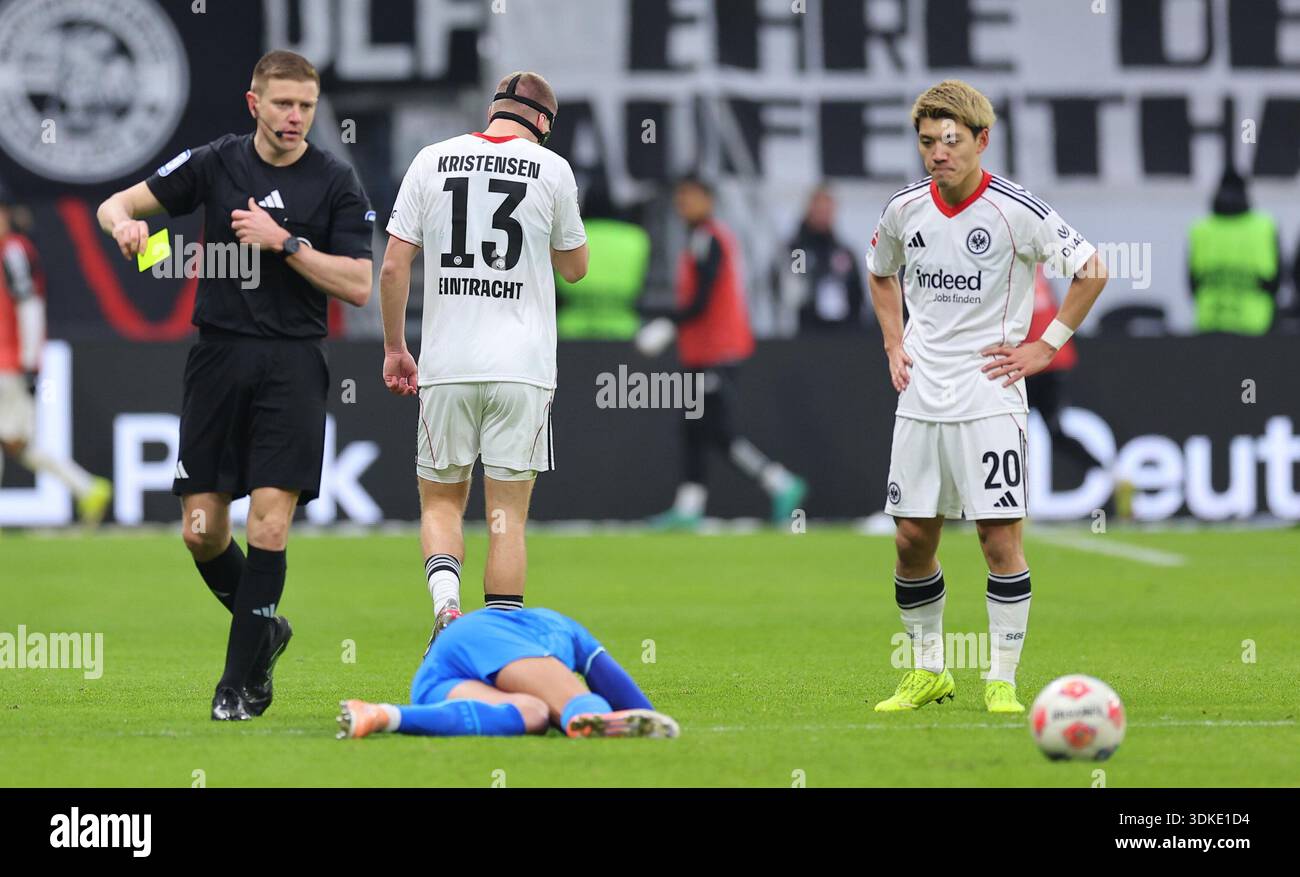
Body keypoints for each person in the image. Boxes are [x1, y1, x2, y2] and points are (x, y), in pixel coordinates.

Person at [95, 50, 376, 720]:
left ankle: (235, 687)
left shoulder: (336, 181)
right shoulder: (215, 162)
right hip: (218, 359)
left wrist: (286, 243)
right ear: (255, 104)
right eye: (283, 104)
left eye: (305, 106)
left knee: (271, 523)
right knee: (201, 530)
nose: (295, 117)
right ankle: (265, 630)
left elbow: (361, 285)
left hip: (292, 363)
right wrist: (127, 227)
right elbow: (115, 204)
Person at [865, 80, 1108, 714]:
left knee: (998, 540)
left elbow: (1092, 269)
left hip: (989, 395)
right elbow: (879, 271)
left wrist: (1045, 347)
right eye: (927, 142)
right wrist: (895, 344)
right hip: (920, 396)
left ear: (980, 140)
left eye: (950, 141)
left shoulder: (1015, 209)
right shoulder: (904, 209)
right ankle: (928, 672)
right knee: (911, 539)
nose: (938, 154)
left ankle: (1000, 679)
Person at [378, 72, 588, 645]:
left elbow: (395, 267)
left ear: (494, 108)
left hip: (446, 363)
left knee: (442, 502)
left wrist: (398, 348)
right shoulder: (552, 169)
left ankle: (447, 611)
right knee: (507, 518)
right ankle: (498, 648)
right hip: (522, 368)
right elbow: (575, 268)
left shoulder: (432, 160)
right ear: (542, 123)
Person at [637, 176, 807, 529]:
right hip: (700, 352)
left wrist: (666, 325)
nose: (683, 204)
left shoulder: (710, 240)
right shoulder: (699, 240)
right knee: (693, 428)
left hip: (717, 351)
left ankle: (780, 482)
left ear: (709, 200)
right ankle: (688, 507)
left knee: (715, 430)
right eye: (680, 198)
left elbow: (700, 302)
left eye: (690, 197)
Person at [337, 607, 679, 739]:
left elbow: (631, 706)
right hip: (484, 637)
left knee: (534, 714)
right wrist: (647, 718)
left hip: (434, 684)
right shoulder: (567, 633)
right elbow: (628, 698)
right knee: (575, 702)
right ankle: (590, 721)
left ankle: (383, 715)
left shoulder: (548, 631)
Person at [0, 199, 112, 522]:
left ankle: (87, 487)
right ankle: (87, 488)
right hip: (10, 362)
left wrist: (30, 363)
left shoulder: (13, 252)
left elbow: (29, 306)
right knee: (16, 443)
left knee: (15, 442)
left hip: (9, 364)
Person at [1187, 166, 1280, 335]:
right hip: (1256, 326)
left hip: (1210, 324)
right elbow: (1277, 281)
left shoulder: (1201, 229)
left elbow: (1192, 283)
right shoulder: (1264, 228)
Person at [782, 185, 869, 333]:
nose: (824, 215)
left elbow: (857, 295)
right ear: (810, 210)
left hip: (843, 331)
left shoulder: (843, 252)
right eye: (819, 210)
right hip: (808, 331)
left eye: (827, 210)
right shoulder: (798, 251)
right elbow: (796, 290)